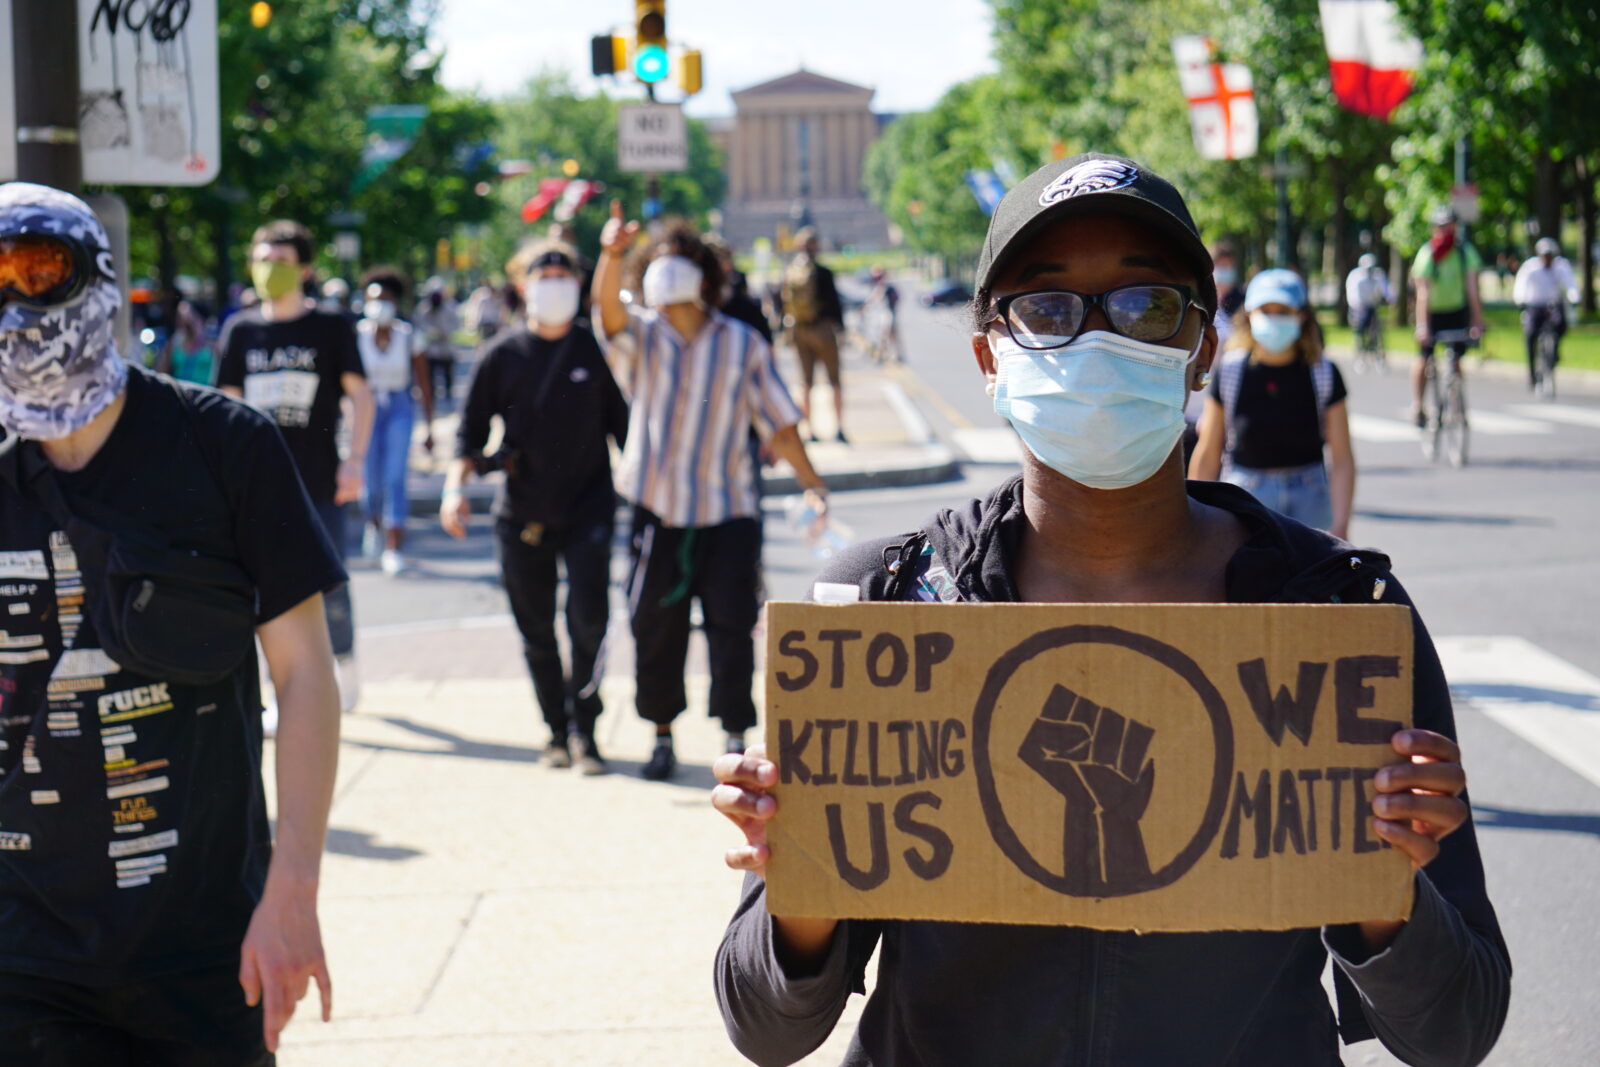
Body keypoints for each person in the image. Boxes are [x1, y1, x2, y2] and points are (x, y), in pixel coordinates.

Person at [710, 154, 1509, 1066]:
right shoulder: (881, 610)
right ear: (989, 355)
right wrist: (802, 877)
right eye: (1046, 309)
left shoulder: (1339, 616)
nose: (1096, 337)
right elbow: (765, 1028)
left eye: (1146, 304)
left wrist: (1389, 888)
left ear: (1201, 347)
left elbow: (1455, 1029)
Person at [0, 182, 345, 1064]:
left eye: (39, 271)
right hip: (22, 956)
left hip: (204, 946)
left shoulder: (226, 446)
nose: (17, 304)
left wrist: (293, 890)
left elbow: (305, 674)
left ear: (99, 280)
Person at [593, 203, 829, 781]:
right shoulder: (643, 337)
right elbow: (607, 318)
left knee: (732, 628)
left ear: (704, 276)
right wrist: (611, 254)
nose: (668, 271)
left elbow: (779, 424)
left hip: (728, 513)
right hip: (657, 511)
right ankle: (661, 734)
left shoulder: (742, 344)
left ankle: (734, 734)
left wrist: (812, 483)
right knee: (654, 628)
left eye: (680, 261)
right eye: (660, 262)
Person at [444, 240, 627, 775]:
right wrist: (455, 491)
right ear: (522, 286)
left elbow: (626, 431)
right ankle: (556, 731)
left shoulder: (594, 350)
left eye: (562, 275)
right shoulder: (500, 354)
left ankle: (586, 731)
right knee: (537, 631)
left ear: (577, 284)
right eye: (542, 276)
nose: (553, 285)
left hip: (590, 508)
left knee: (589, 621)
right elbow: (468, 435)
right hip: (521, 514)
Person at [215, 219, 375, 712]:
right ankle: (276, 687)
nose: (270, 269)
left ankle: (345, 662)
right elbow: (225, 405)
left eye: (281, 261)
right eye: (262, 259)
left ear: (304, 269)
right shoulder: (241, 330)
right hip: (254, 488)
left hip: (319, 481)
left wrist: (355, 461)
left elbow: (361, 396)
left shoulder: (330, 327)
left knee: (329, 584)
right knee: (265, 591)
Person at [1188, 268, 1356, 539]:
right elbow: (1209, 451)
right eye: (1265, 311)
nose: (1274, 319)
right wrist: (1196, 520)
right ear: (1249, 315)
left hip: (1310, 497)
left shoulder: (1323, 372)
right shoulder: (1230, 370)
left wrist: (1341, 525)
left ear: (1302, 316)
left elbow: (1342, 458)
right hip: (1246, 496)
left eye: (1284, 311)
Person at [355, 268, 433, 576]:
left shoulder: (409, 335)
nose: (379, 305)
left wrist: (429, 426)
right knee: (370, 477)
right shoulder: (357, 335)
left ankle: (394, 545)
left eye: (385, 299)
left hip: (399, 405)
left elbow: (424, 382)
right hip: (367, 406)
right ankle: (373, 521)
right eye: (374, 299)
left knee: (395, 475)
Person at [1410, 206, 1484, 426]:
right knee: (1424, 358)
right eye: (1442, 227)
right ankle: (1418, 405)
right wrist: (1422, 326)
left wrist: (1477, 321)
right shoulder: (1428, 253)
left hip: (1456, 311)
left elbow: (1472, 289)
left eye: (1450, 226)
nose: (1446, 231)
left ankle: (1457, 406)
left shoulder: (1464, 252)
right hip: (1432, 314)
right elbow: (1423, 293)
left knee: (1456, 360)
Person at [780, 227, 848, 442]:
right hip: (823, 329)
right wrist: (841, 330)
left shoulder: (791, 272)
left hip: (800, 330)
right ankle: (839, 428)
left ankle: (809, 429)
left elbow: (782, 304)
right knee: (834, 381)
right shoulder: (823, 273)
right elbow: (835, 304)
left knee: (806, 383)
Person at [1513, 236, 1580, 390]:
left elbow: (1570, 283)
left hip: (1552, 305)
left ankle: (1554, 352)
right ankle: (1532, 373)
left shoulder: (1561, 266)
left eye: (1549, 255)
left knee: (1561, 323)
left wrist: (1574, 298)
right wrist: (1520, 300)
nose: (1547, 259)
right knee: (1531, 334)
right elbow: (1521, 284)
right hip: (1535, 305)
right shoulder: (1530, 267)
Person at [414, 278, 460, 404]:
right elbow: (419, 325)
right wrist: (430, 332)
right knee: (430, 374)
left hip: (446, 347)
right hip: (430, 348)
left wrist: (444, 330)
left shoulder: (450, 307)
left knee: (448, 373)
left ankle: (448, 394)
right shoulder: (423, 308)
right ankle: (432, 395)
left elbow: (456, 324)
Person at [1345, 251, 1392, 350]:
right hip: (1358, 306)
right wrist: (1357, 305)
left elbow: (1386, 288)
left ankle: (1375, 342)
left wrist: (1390, 298)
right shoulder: (1355, 276)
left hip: (1372, 304)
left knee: (1375, 323)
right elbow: (1352, 293)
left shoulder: (1378, 275)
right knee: (1360, 324)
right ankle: (1359, 341)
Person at [866, 264, 903, 362]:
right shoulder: (877, 286)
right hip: (881, 315)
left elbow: (876, 299)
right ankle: (891, 353)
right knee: (888, 335)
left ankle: (889, 354)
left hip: (886, 314)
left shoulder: (885, 286)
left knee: (886, 334)